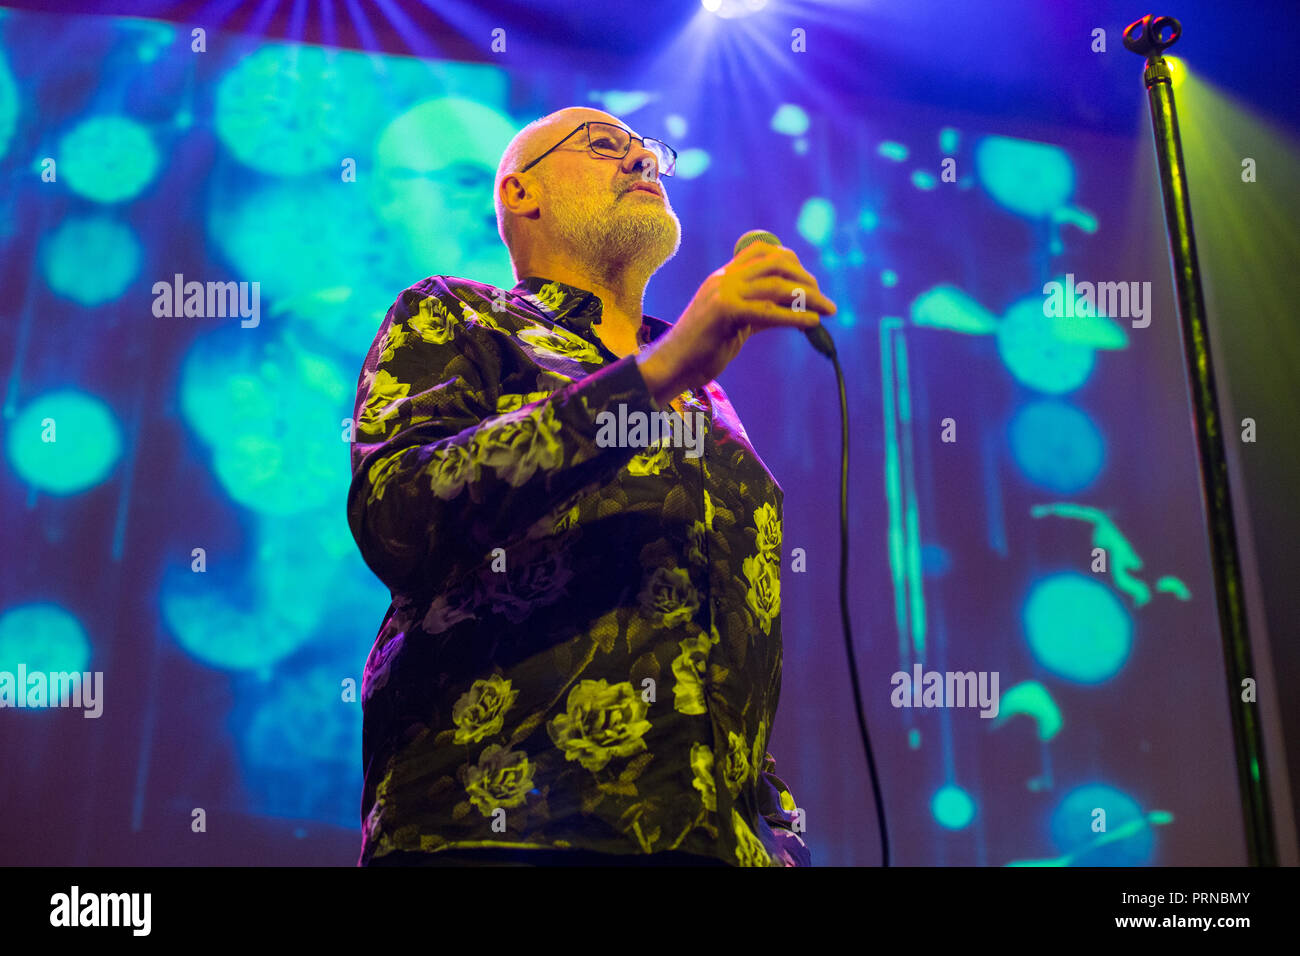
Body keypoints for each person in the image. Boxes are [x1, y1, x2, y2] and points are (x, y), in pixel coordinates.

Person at [348, 105, 836, 867]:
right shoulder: (461, 316)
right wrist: (655, 375)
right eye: (607, 147)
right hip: (496, 832)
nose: (643, 162)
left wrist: (759, 824)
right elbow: (398, 518)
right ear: (520, 194)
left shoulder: (705, 397)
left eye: (650, 153)